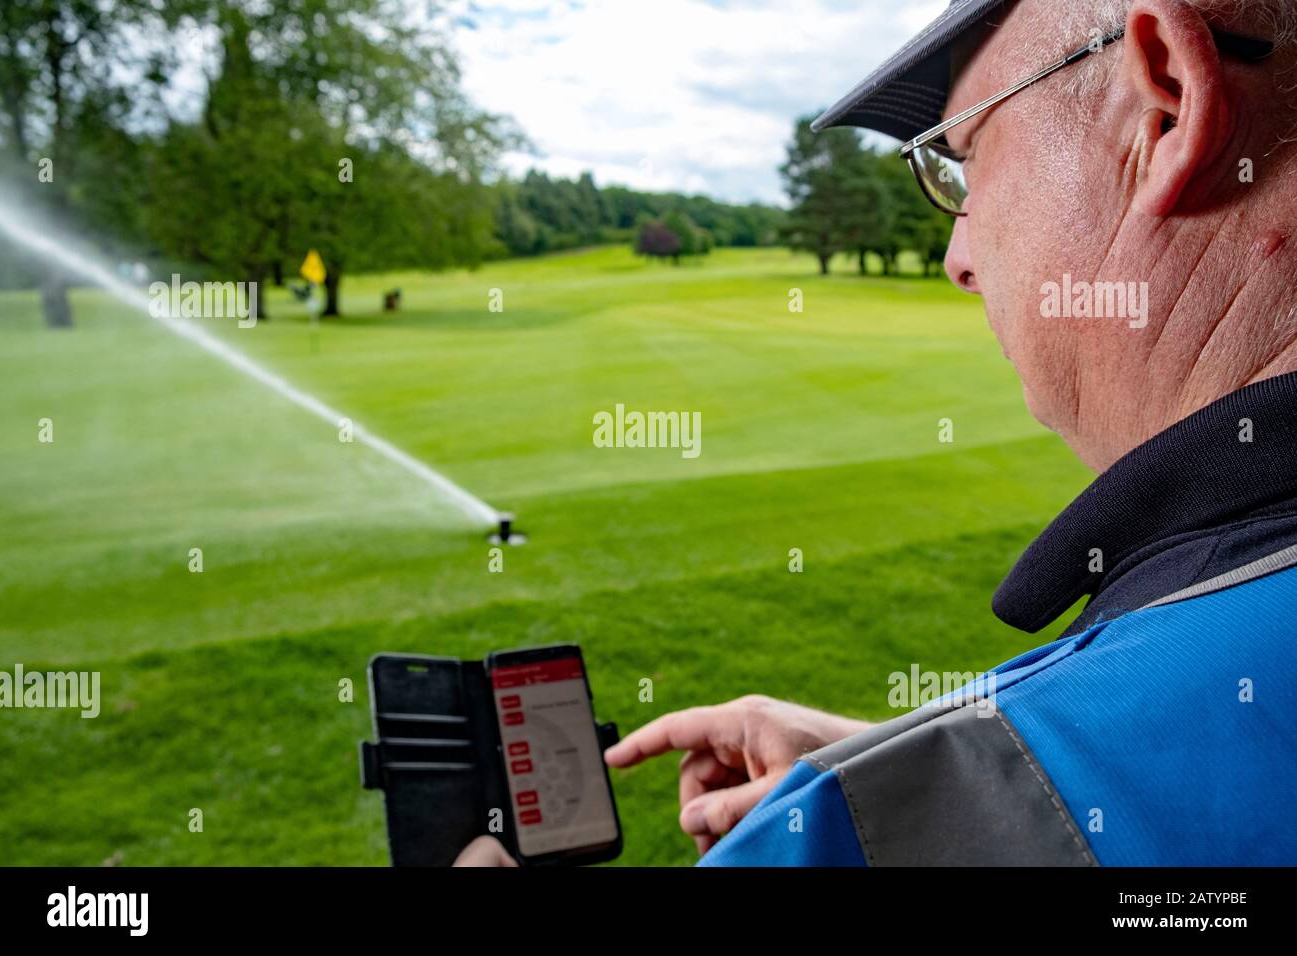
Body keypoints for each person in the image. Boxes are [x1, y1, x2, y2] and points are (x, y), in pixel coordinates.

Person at [457, 0, 1297, 866]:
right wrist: (923, 764)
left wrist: (897, 798)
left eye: (964, 164)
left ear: (1164, 106)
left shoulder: (834, 842)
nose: (956, 259)